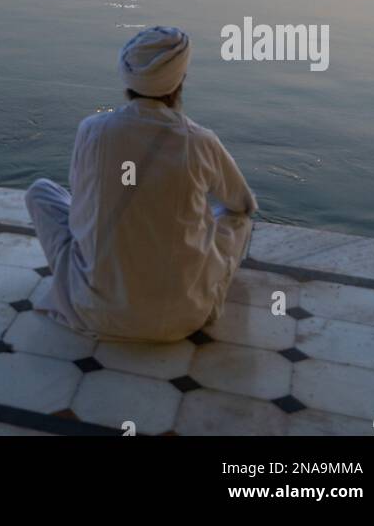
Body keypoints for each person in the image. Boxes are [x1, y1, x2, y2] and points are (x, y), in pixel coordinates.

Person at [26, 27, 256, 342]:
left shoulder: (92, 130)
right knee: (237, 220)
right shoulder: (200, 141)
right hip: (185, 315)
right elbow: (242, 204)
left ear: (127, 78)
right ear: (180, 80)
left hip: (94, 309)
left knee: (41, 192)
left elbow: (82, 200)